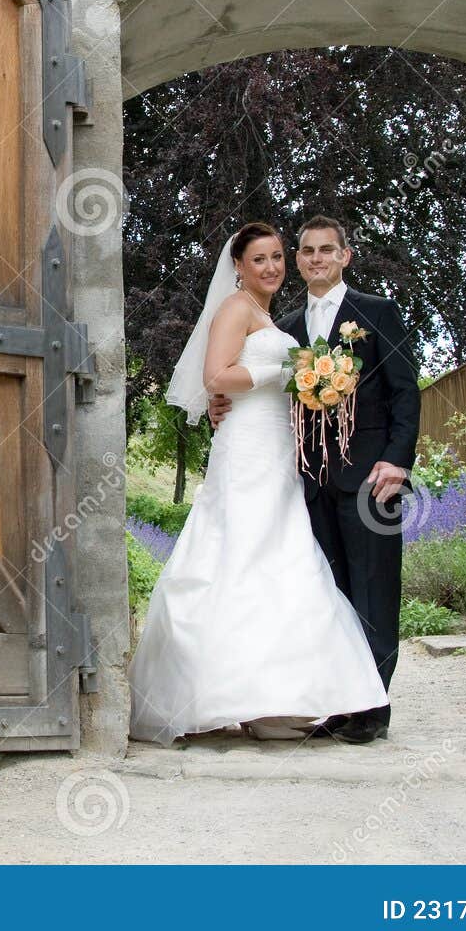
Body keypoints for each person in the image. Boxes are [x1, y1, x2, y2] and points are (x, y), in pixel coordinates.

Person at [128, 221, 390, 746]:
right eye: (259, 259)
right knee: (241, 555)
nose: (271, 267)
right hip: (247, 451)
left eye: (276, 257)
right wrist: (283, 372)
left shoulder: (273, 318)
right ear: (239, 267)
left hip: (279, 452)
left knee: (280, 560)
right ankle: (226, 696)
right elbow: (215, 376)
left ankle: (272, 702)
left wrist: (305, 379)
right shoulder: (235, 309)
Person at [206, 215, 420, 744]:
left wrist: (397, 459)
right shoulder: (287, 328)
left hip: (370, 475)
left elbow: (404, 390)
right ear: (299, 260)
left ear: (345, 256)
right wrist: (219, 403)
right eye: (307, 251)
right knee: (329, 593)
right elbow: (256, 384)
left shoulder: (377, 312)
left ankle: (372, 708)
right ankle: (337, 701)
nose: (316, 258)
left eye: (327, 250)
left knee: (373, 588)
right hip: (305, 478)